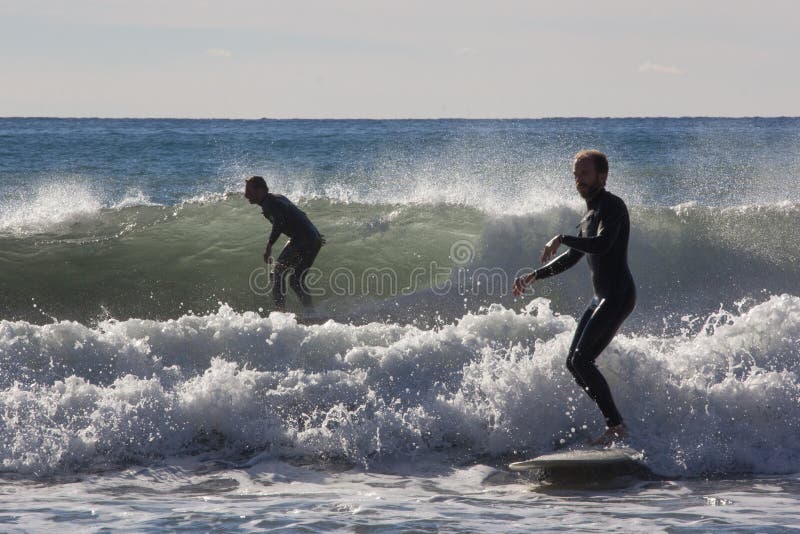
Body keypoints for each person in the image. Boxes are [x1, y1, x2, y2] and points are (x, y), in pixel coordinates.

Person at [513, 150, 636, 446]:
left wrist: (561, 236)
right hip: (600, 298)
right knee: (574, 362)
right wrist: (535, 275)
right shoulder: (588, 214)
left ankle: (617, 427)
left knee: (582, 359)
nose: (579, 181)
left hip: (618, 294)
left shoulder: (612, 206)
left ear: (602, 176)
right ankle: (614, 425)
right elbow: (573, 257)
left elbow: (603, 245)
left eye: (585, 174)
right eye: (576, 175)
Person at [244, 176, 324, 314]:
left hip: (302, 239)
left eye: (249, 191)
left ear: (261, 190)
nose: (246, 195)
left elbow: (279, 222)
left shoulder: (269, 203)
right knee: (295, 278)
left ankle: (280, 313)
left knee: (276, 273)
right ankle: (311, 312)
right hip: (313, 238)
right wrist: (314, 235)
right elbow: (300, 214)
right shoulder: (276, 198)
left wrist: (269, 245)